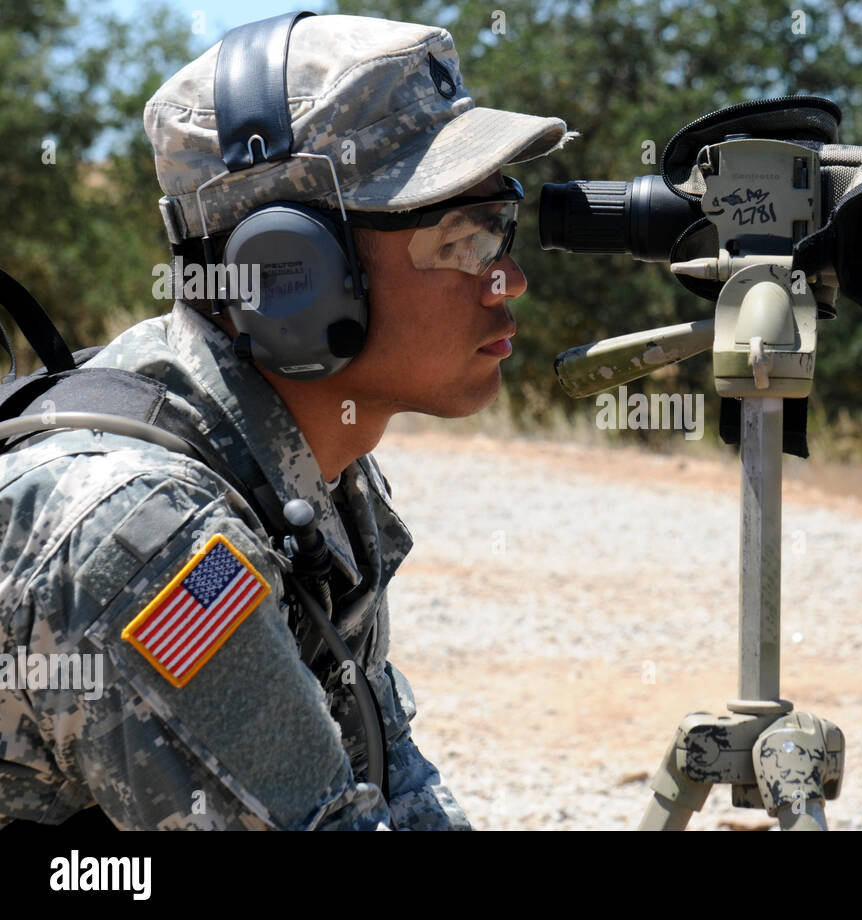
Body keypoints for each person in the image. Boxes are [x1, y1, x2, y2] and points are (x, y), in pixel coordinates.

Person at [0, 12, 576, 830]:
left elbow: (387, 781)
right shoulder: (154, 542)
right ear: (291, 275)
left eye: (501, 228)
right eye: (463, 239)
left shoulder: (306, 466)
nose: (507, 279)